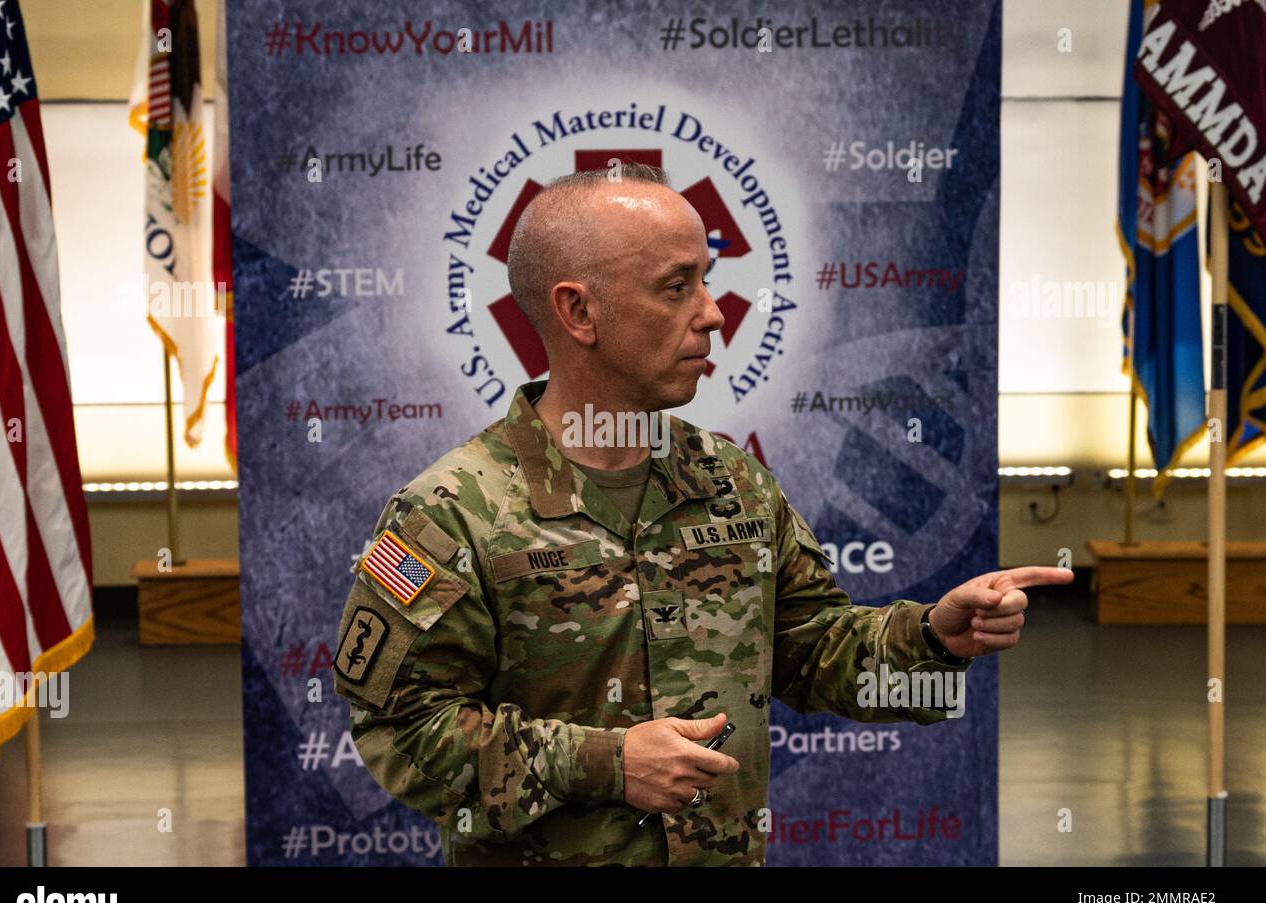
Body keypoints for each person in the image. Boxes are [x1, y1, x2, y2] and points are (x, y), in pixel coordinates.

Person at [331, 162, 1072, 866]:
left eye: (706, 282)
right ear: (578, 311)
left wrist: (930, 636)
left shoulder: (734, 483)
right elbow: (399, 734)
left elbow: (812, 650)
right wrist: (606, 764)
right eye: (676, 287)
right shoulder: (453, 512)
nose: (713, 315)